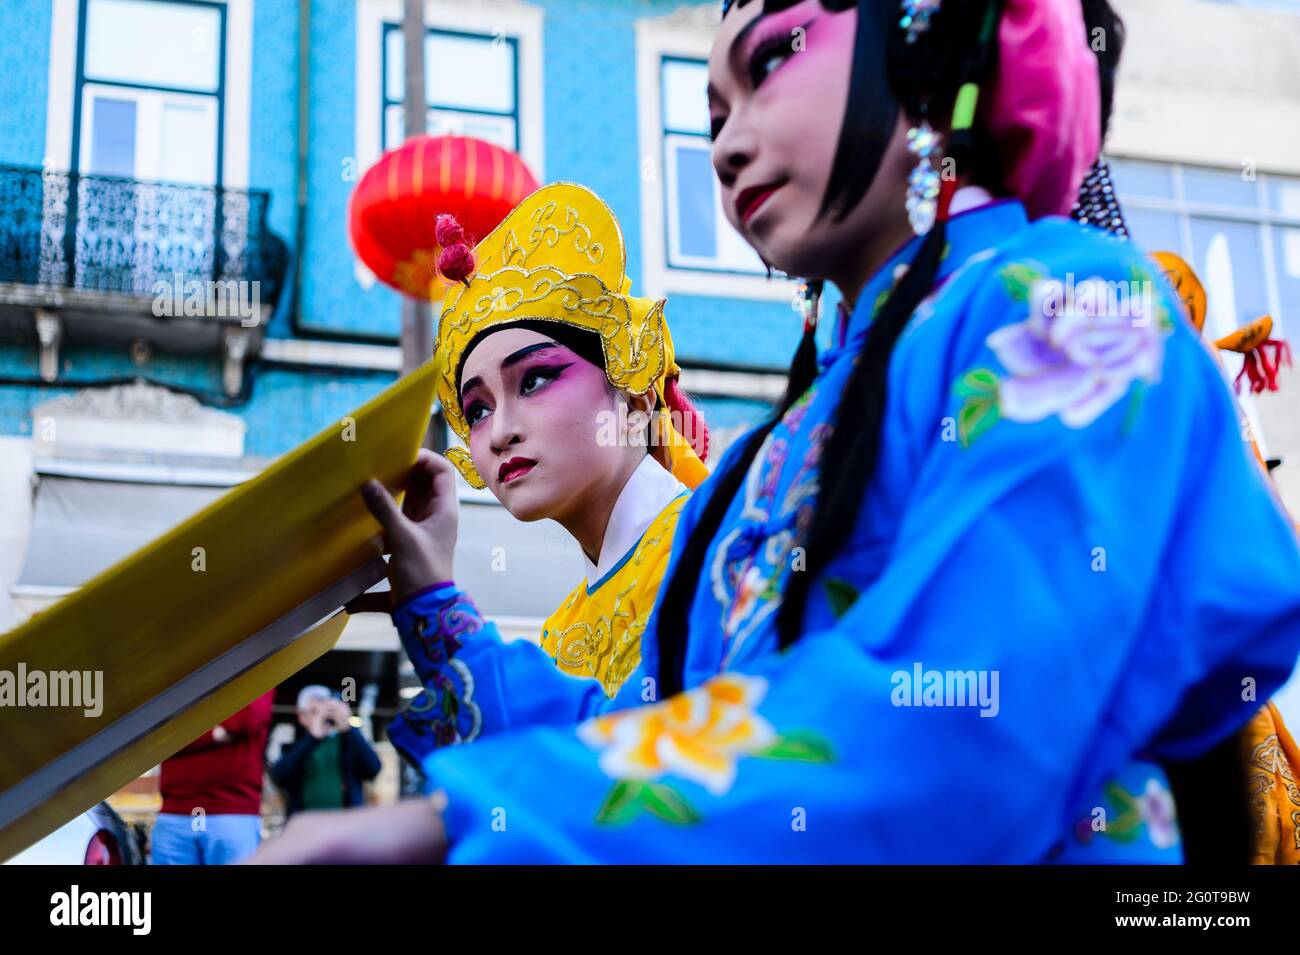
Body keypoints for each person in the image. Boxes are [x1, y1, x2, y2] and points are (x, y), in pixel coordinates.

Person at [252, 0, 1300, 864]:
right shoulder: (779, 453)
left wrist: (460, 821)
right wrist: (436, 602)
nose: (726, 144)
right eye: (711, 111)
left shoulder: (1068, 302)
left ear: (925, 47)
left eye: (770, 66)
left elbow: (968, 716)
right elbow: (658, 724)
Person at [350, 182, 711, 769]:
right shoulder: (564, 625)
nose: (498, 433)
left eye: (536, 380)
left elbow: (631, 779)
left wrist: (438, 610)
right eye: (477, 409)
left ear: (636, 396)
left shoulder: (712, 549)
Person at [151, 691, 273, 865]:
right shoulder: (175, 675)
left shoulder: (256, 669)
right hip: (178, 811)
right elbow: (158, 735)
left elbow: (245, 719)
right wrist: (214, 733)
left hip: (229, 811)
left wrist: (182, 736)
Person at [268, 686, 381, 816]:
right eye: (314, 711)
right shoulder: (296, 744)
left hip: (346, 825)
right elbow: (280, 776)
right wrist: (311, 738)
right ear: (301, 717)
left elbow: (373, 769)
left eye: (326, 710)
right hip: (306, 826)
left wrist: (348, 728)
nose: (322, 716)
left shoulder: (347, 741)